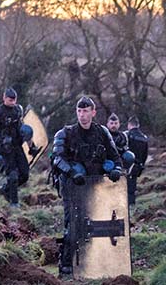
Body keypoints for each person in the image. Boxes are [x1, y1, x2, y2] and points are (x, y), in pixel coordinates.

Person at [49, 96, 123, 277]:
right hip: (73, 185)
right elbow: (57, 158)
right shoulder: (65, 133)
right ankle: (67, 266)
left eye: (86, 111)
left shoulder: (102, 132)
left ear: (93, 112)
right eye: (79, 111)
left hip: (97, 185)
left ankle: (101, 263)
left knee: (102, 222)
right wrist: (72, 172)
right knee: (73, 223)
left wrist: (116, 171)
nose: (82, 115)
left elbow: (116, 158)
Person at [0, 87, 34, 207]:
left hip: (18, 146)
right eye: (10, 99)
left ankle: (5, 190)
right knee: (12, 175)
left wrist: (31, 146)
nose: (12, 102)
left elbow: (22, 127)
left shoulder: (18, 110)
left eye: (14, 99)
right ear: (4, 98)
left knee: (24, 174)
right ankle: (14, 203)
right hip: (5, 148)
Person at [126, 116, 149, 206]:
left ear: (129, 124)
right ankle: (132, 206)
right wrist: (141, 165)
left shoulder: (128, 135)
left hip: (128, 166)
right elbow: (145, 154)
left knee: (125, 188)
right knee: (132, 188)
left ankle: (128, 208)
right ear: (138, 125)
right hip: (138, 165)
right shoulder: (144, 137)